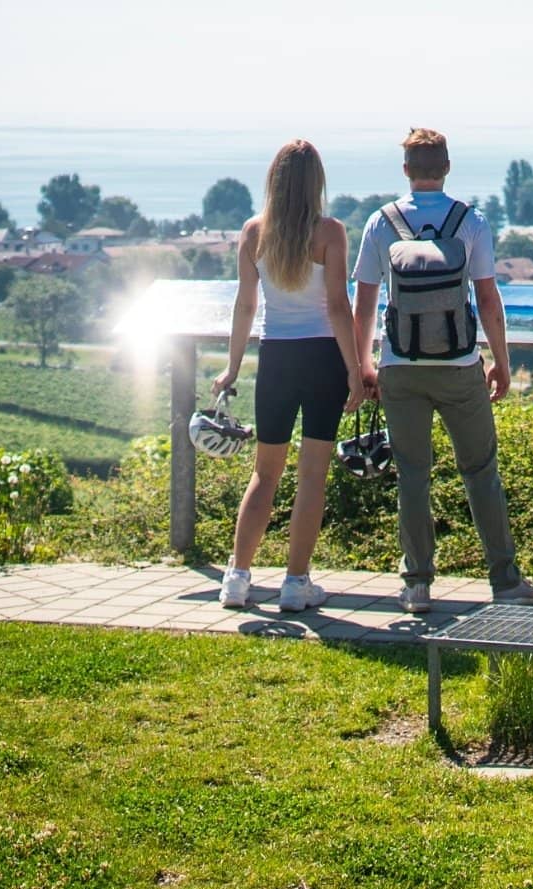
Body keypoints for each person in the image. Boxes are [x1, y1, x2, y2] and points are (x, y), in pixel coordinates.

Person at [352, 128, 533, 613]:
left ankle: (416, 585)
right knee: (480, 471)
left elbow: (364, 303)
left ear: (406, 171)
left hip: (400, 367)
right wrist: (501, 359)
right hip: (460, 366)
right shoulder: (470, 220)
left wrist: (364, 367)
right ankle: (505, 581)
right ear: (446, 167)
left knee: (413, 475)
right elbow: (487, 297)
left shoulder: (382, 222)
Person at [217, 139, 372, 611]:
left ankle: (236, 579)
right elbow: (337, 307)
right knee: (312, 477)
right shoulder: (330, 232)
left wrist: (231, 366)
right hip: (323, 358)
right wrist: (353, 372)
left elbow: (246, 306)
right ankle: (294, 582)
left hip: (276, 360)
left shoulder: (252, 232)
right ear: (315, 183)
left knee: (264, 476)